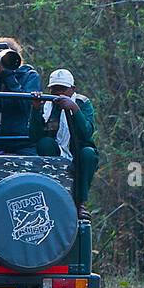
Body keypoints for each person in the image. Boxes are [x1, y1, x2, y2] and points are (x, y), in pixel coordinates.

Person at [34, 68, 99, 209]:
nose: (59, 94)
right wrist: (36, 110)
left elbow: (86, 133)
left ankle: (81, 203)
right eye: (55, 89)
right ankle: (51, 194)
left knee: (88, 154)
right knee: (45, 143)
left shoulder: (82, 103)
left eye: (63, 89)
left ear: (72, 89)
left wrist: (74, 110)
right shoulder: (48, 104)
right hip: (56, 151)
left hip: (77, 150)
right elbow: (34, 135)